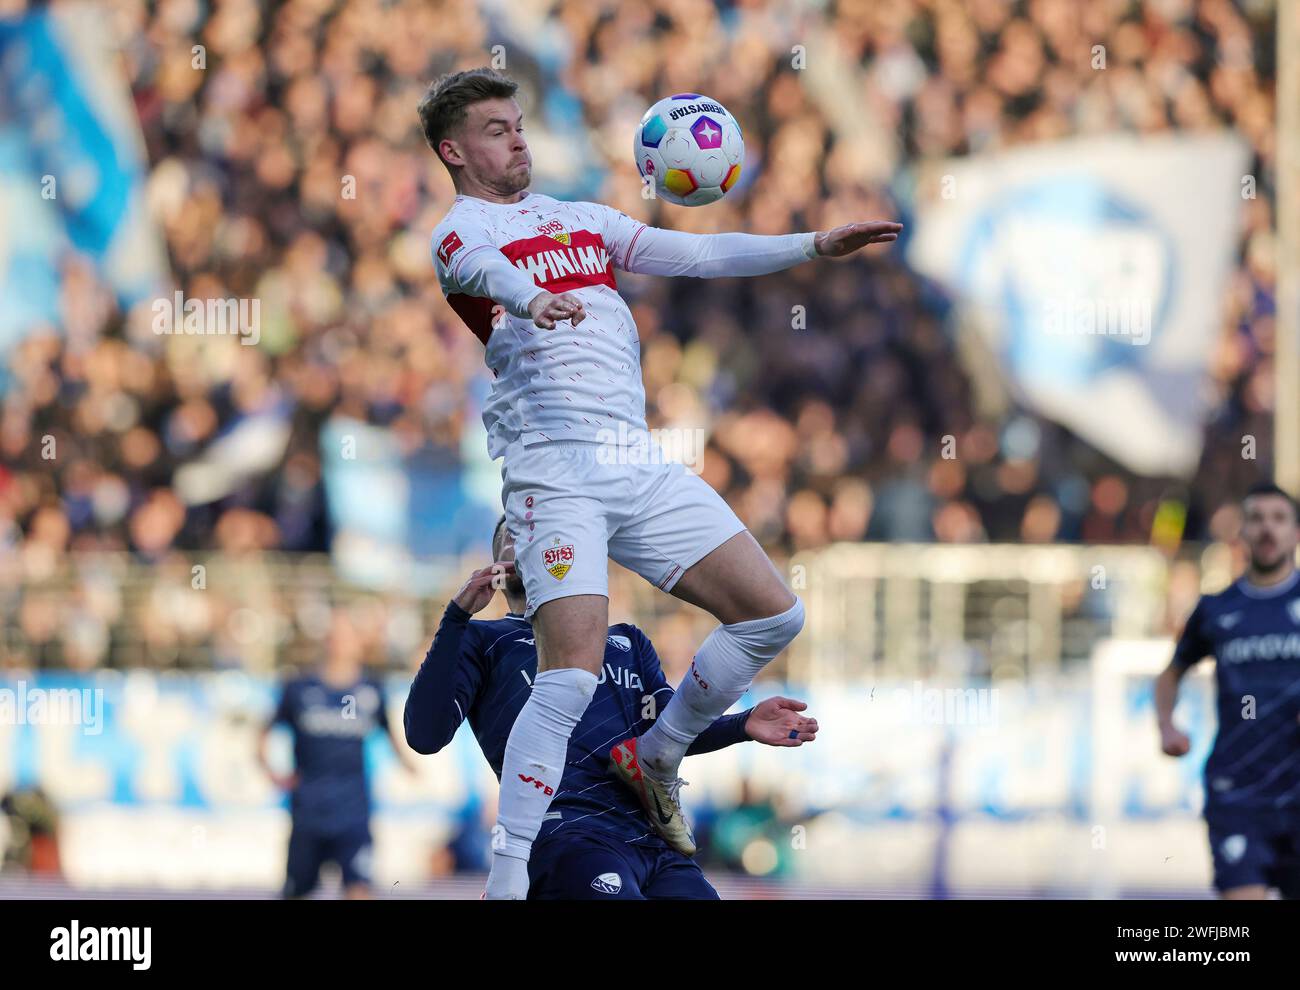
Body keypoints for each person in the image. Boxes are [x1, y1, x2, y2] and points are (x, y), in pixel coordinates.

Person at [419, 66, 897, 897]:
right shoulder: (457, 235)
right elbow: (490, 279)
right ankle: (505, 878)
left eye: (520, 122)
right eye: (497, 129)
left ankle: (660, 752)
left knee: (775, 613)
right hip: (553, 469)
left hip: (635, 460)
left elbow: (704, 253)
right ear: (453, 151)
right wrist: (535, 302)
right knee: (570, 674)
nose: (519, 137)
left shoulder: (586, 221)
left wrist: (813, 245)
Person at [404, 516, 818, 899]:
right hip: (567, 835)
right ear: (498, 565)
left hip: (650, 836)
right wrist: (456, 617)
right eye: (513, 532)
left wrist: (743, 723)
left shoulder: (628, 642)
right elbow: (424, 735)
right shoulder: (484, 641)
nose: (529, 535)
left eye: (542, 526)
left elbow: (669, 732)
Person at [1155, 481, 1300, 899]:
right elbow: (1171, 672)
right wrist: (1166, 725)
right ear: (1242, 532)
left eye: (1279, 519)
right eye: (1256, 519)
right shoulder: (1217, 608)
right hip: (1237, 793)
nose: (1267, 529)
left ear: (1294, 532)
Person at [259, 609, 418, 898]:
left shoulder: (370, 690)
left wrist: (410, 767)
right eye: (335, 636)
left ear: (358, 643)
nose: (340, 643)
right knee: (298, 889)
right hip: (309, 810)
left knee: (359, 887)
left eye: (347, 636)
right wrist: (272, 774)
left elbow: (389, 733)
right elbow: (263, 733)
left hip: (353, 810)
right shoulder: (299, 689)